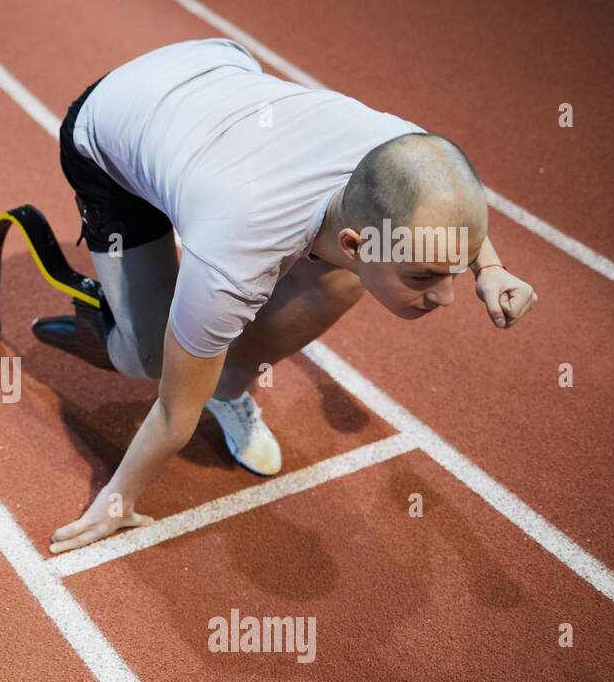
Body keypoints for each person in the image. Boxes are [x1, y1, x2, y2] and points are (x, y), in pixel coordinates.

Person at [38, 38, 537, 554]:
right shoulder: (236, 258)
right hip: (112, 124)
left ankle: (225, 390)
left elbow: (454, 204)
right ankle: (106, 311)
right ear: (355, 242)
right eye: (424, 276)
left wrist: (491, 267)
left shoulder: (404, 155)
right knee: (150, 357)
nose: (447, 297)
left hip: (216, 74)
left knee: (343, 280)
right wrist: (116, 503)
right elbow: (170, 413)